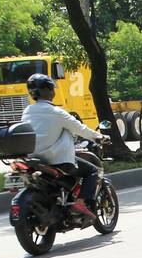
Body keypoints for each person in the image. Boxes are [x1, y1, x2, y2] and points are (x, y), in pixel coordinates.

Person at [20, 74, 106, 219]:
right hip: (55, 159)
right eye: (52, 88)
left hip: (34, 158)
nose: (53, 91)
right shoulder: (56, 112)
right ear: (48, 90)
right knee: (92, 171)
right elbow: (80, 129)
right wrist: (99, 137)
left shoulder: (27, 111)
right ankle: (79, 202)